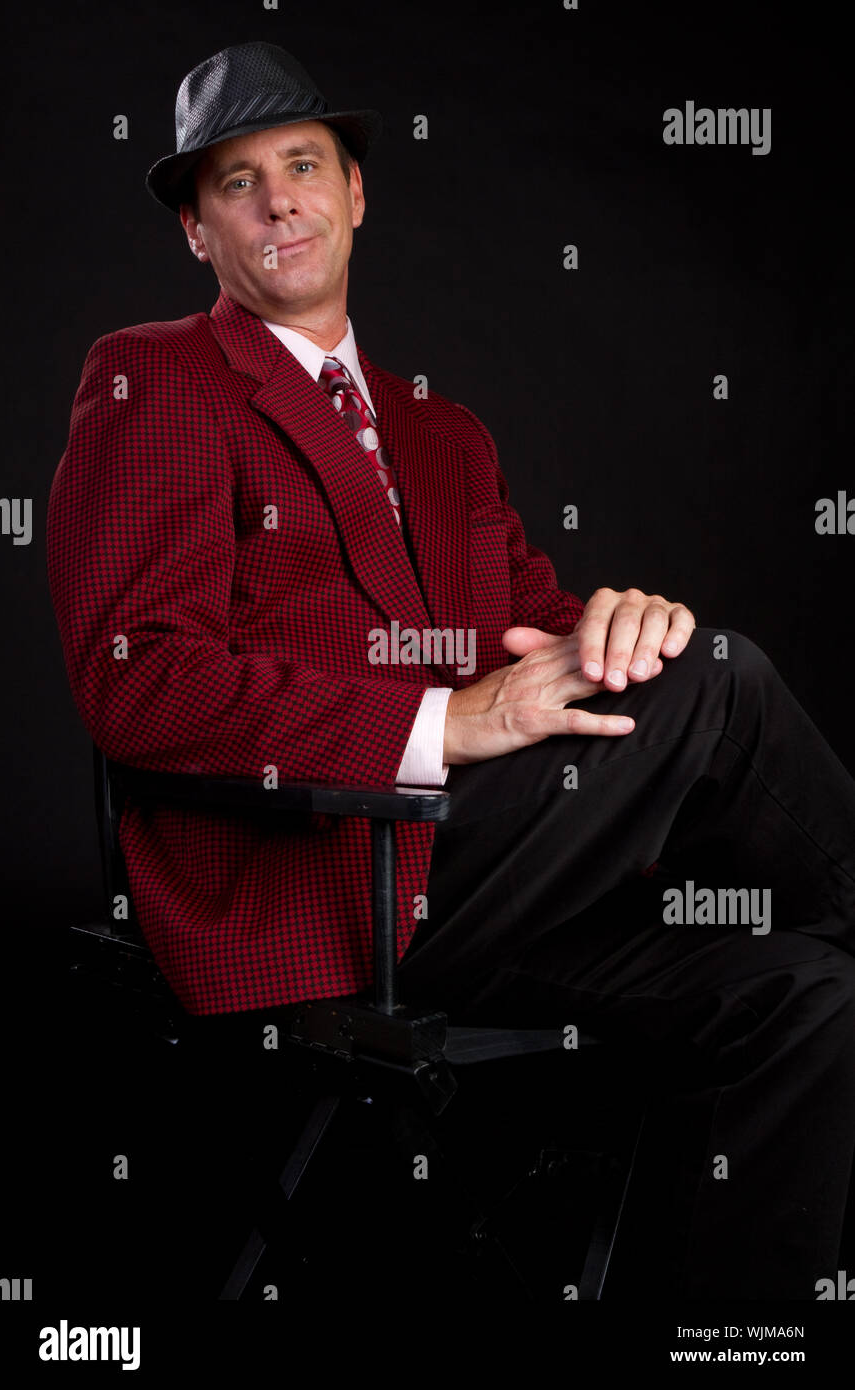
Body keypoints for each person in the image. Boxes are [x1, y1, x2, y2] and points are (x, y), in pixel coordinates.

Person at [46, 41, 855, 1299]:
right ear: (197, 235)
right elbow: (136, 680)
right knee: (727, 674)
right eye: (236, 182)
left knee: (798, 986)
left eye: (303, 167)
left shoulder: (440, 431)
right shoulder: (152, 377)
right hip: (320, 875)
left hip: (496, 876)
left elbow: (528, 625)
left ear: (356, 193)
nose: (278, 202)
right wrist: (441, 720)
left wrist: (618, 628)